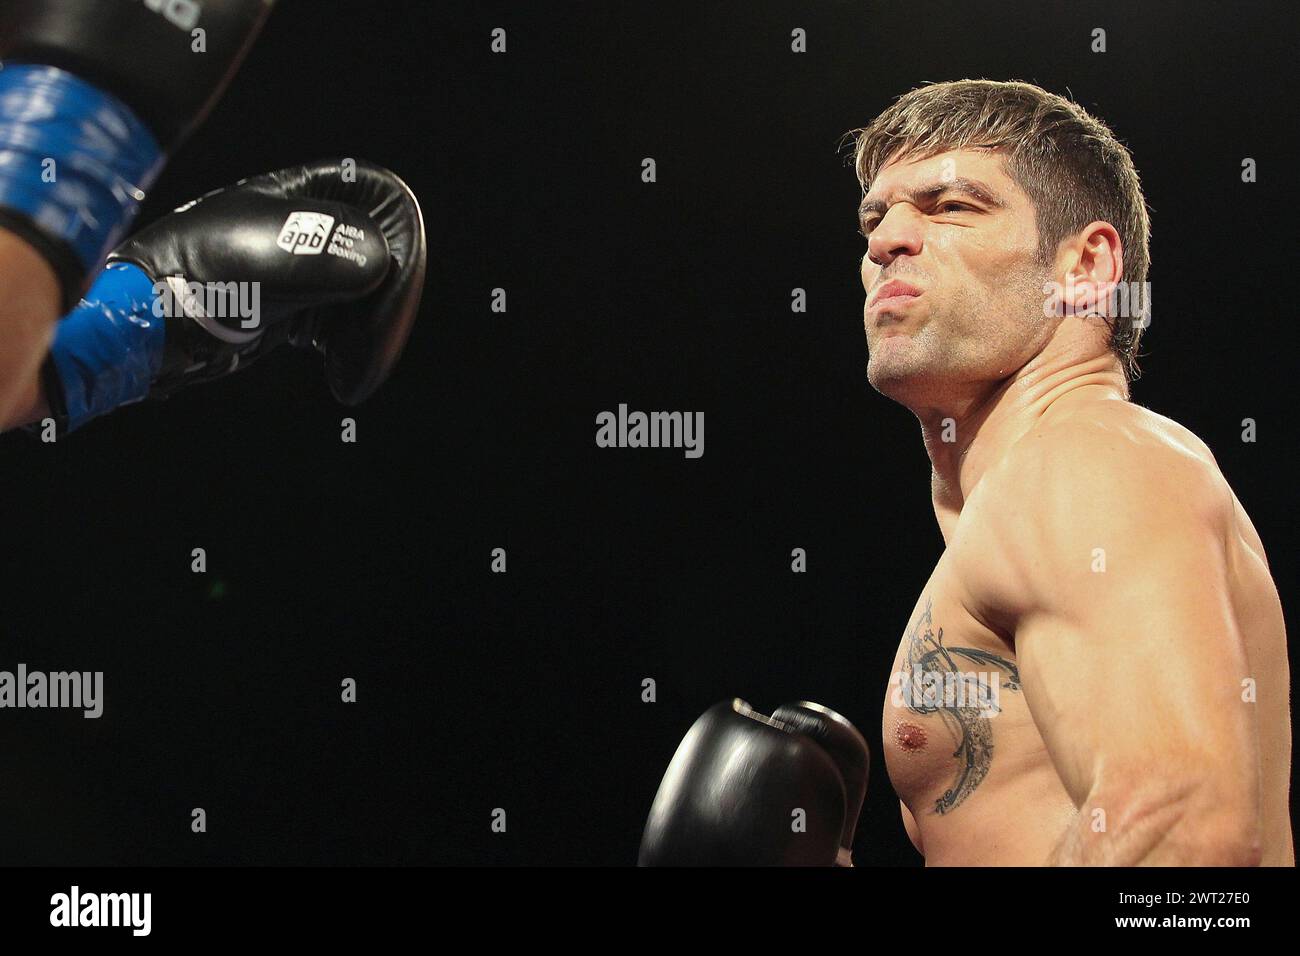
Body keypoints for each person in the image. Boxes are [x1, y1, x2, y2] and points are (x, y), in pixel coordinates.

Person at [852, 79, 1290, 865]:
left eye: (951, 206)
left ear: (1085, 266)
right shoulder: (1025, 498)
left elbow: (1184, 846)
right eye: (874, 219)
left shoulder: (1089, 459)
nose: (888, 240)